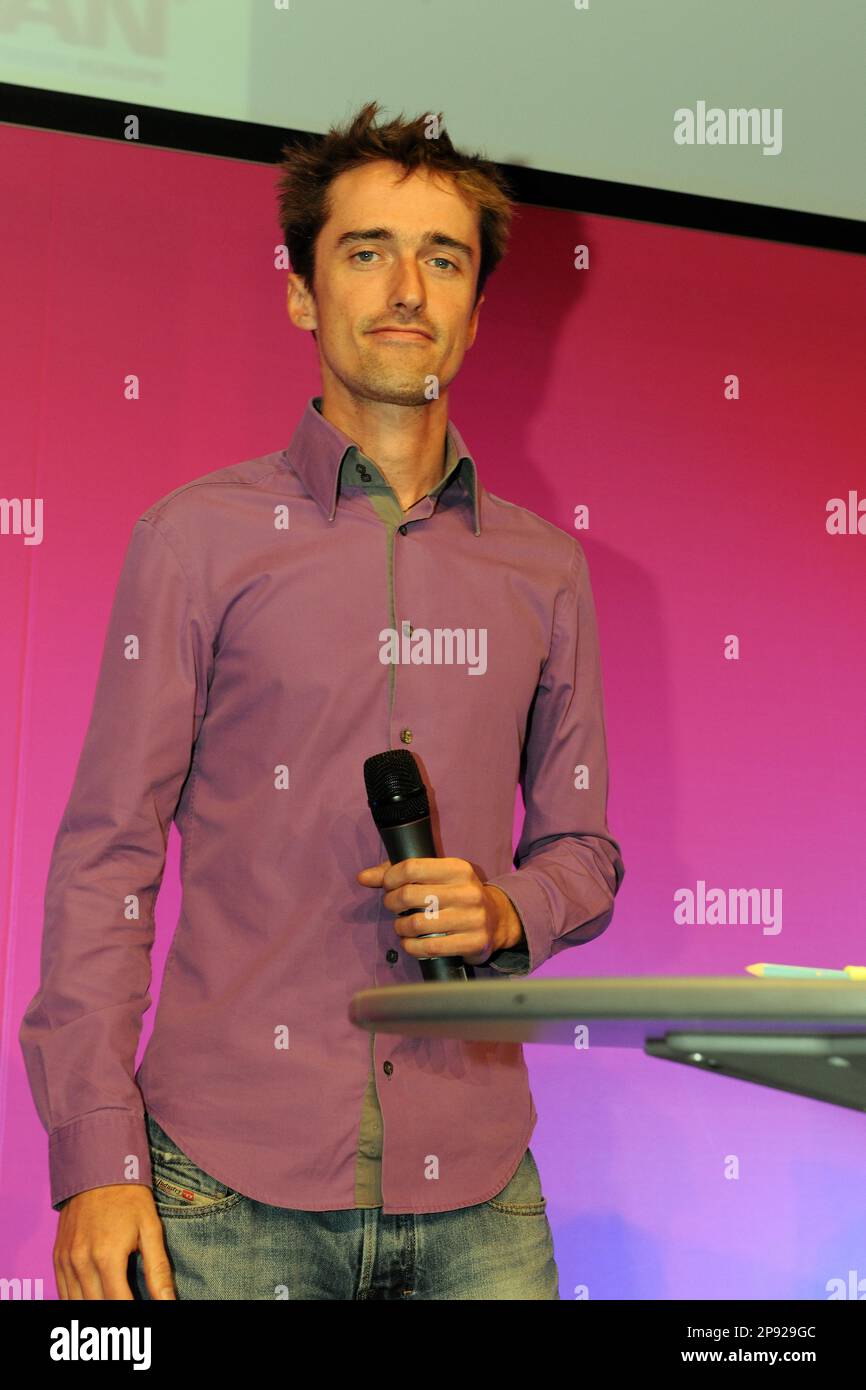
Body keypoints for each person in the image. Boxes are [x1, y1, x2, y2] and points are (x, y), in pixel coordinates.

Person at [19, 100, 625, 1300]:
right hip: (221, 1188)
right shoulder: (195, 540)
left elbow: (584, 852)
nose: (406, 286)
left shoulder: (545, 570)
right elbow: (108, 858)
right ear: (302, 293)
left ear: (474, 307)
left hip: (478, 1193)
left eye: (440, 258)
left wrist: (504, 910)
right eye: (366, 252)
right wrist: (95, 1157)